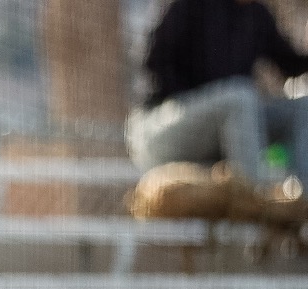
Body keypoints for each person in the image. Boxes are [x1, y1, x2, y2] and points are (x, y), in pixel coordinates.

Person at [128, 0, 308, 184]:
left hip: (228, 119)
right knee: (241, 96)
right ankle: (252, 200)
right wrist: (202, 100)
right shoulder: (187, 5)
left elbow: (291, 64)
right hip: (161, 128)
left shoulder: (257, 14)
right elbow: (152, 66)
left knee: (303, 108)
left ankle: (304, 204)